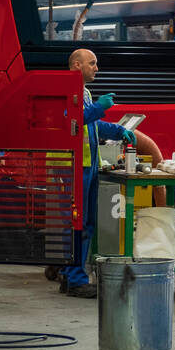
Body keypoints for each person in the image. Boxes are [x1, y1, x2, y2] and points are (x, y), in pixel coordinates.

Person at [57, 48, 132, 299]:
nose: (96, 68)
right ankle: (76, 279)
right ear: (77, 65)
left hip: (87, 166)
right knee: (76, 223)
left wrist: (117, 130)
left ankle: (70, 276)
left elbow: (92, 124)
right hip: (72, 167)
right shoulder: (63, 89)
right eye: (92, 63)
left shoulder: (84, 92)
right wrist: (98, 108)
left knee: (85, 223)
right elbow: (70, 122)